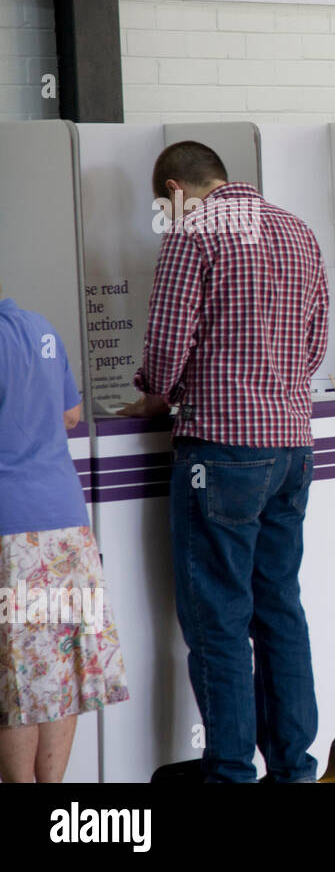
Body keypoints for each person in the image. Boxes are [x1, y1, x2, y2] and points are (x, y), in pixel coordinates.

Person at [118, 141, 329, 782]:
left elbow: (166, 345)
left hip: (221, 450)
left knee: (217, 618)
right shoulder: (297, 230)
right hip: (292, 449)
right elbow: (317, 344)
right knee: (280, 609)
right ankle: (294, 767)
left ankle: (231, 770)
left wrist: (154, 390)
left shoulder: (195, 231)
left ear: (178, 187)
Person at [0, 288, 129, 782]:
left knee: (14, 673)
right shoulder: (43, 328)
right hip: (68, 528)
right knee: (57, 667)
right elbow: (70, 414)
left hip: (12, 534)